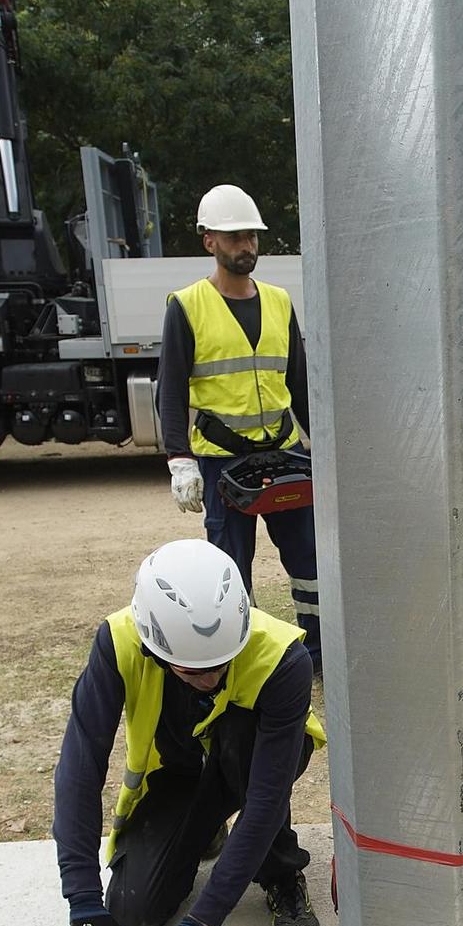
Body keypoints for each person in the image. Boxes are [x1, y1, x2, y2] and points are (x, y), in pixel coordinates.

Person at [56, 539, 326, 926]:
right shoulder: (119, 641)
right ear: (154, 647)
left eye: (221, 663)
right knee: (134, 913)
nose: (211, 678)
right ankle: (205, 828)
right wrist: (83, 898)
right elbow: (80, 768)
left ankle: (279, 873)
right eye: (191, 670)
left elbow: (265, 798)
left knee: (244, 743)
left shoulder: (283, 659)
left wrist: (203, 921)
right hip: (178, 771)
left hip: (250, 761)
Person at [159, 184, 322, 675]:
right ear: (209, 241)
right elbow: (170, 388)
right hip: (221, 461)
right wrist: (179, 458)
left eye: (250, 235)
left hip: (284, 454)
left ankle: (315, 654)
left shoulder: (278, 301)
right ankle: (239, 657)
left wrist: (328, 450)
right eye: (233, 237)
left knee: (311, 561)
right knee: (229, 570)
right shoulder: (187, 306)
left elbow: (299, 383)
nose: (245, 245)